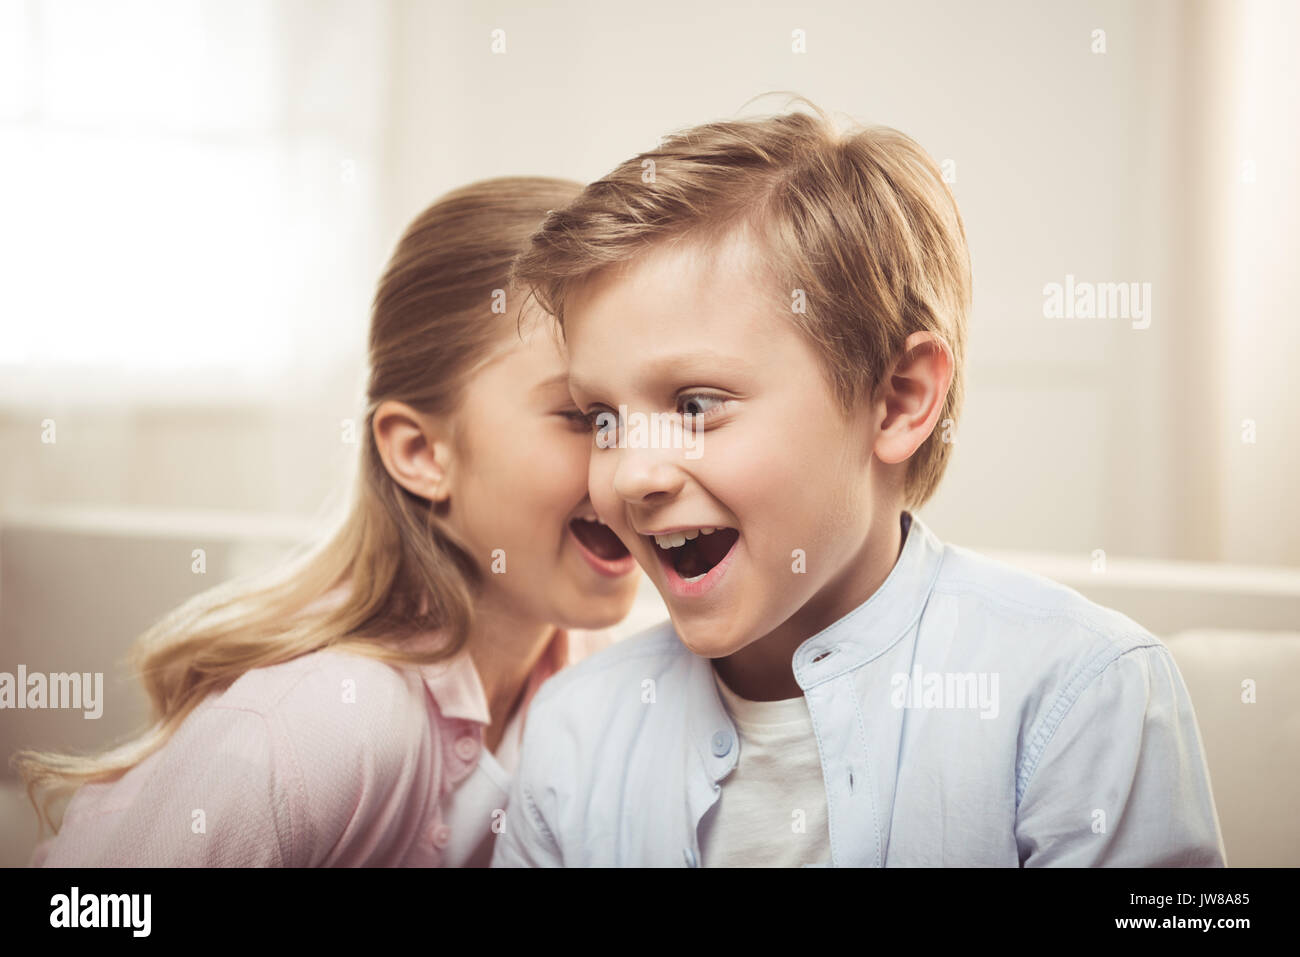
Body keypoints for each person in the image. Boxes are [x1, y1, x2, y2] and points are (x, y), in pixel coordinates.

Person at [490, 102, 1227, 867]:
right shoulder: (574, 732)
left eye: (696, 406)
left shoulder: (1083, 695)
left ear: (900, 399)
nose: (631, 475)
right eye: (600, 419)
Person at [15, 177, 642, 867]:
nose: (641, 465)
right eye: (585, 416)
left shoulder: (599, 676)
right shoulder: (327, 720)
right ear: (420, 452)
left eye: (647, 409)